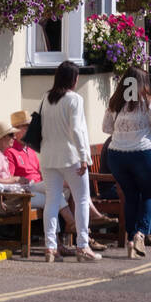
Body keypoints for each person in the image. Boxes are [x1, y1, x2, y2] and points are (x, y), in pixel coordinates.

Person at [8, 110, 112, 250]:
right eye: (26, 127)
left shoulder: (30, 150)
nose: (30, 130)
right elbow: (11, 179)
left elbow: (40, 172)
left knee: (60, 192)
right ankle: (83, 227)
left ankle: (75, 237)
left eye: (30, 127)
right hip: (27, 189)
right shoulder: (10, 151)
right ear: (16, 131)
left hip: (40, 185)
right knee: (61, 190)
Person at [103, 66, 151, 258]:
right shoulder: (147, 102)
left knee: (131, 196)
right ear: (143, 83)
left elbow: (106, 128)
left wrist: (124, 132)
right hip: (142, 153)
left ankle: (130, 239)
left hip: (117, 155)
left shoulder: (115, 102)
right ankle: (141, 233)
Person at [39, 61, 100, 264]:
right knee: (82, 199)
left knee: (52, 201)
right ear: (73, 79)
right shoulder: (74, 99)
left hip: (48, 157)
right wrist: (84, 156)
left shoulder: (45, 98)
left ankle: (50, 248)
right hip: (71, 156)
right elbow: (77, 130)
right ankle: (83, 246)